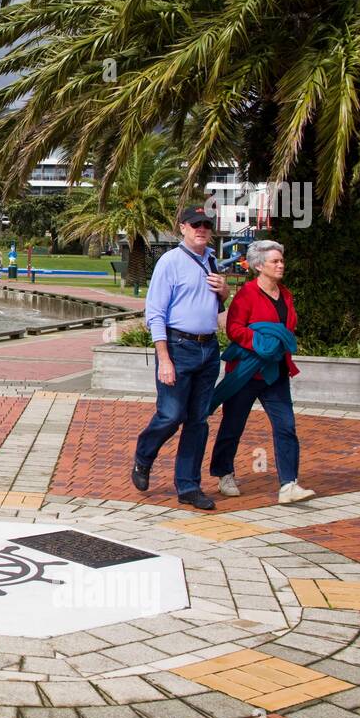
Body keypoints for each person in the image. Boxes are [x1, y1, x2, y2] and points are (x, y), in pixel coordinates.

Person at [132, 208, 231, 510]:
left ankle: (188, 486)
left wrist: (225, 292)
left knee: (198, 421)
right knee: (171, 415)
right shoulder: (170, 262)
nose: (202, 229)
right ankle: (144, 455)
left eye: (206, 225)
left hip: (208, 349)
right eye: (196, 224)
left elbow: (214, 307)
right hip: (178, 346)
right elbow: (156, 313)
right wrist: (164, 358)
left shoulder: (212, 260)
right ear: (183, 228)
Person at [209, 240, 315, 504]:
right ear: (259, 266)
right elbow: (234, 329)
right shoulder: (247, 294)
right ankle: (224, 473)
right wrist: (261, 341)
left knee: (286, 427)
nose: (281, 265)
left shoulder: (286, 294)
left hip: (276, 372)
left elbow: (288, 328)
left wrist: (277, 340)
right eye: (275, 261)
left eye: (281, 261)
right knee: (233, 425)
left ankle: (289, 484)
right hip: (246, 373)